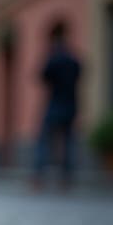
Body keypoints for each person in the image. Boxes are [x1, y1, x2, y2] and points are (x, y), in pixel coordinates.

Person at [33, 21, 81, 191]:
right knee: (67, 141)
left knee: (45, 140)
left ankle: (39, 176)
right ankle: (66, 179)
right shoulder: (73, 58)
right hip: (71, 104)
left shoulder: (53, 58)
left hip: (55, 104)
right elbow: (81, 73)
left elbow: (42, 76)